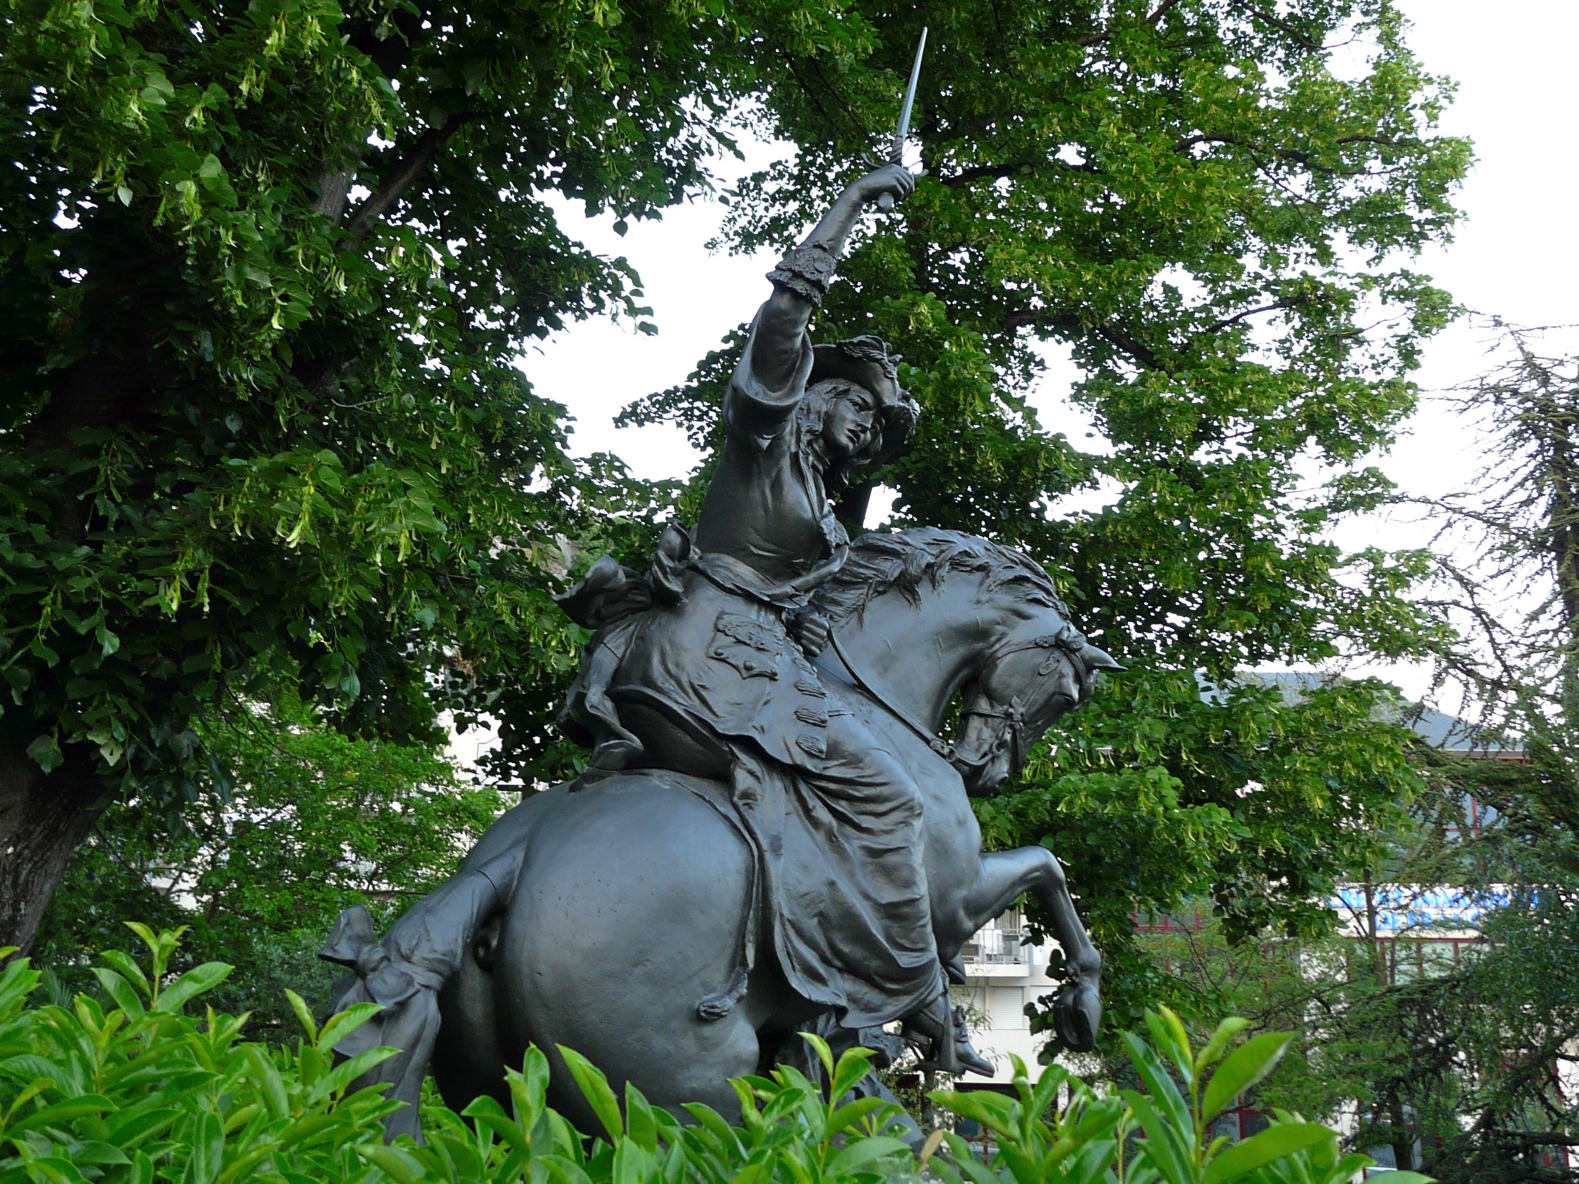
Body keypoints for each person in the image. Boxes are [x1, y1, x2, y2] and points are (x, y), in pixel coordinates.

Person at [560, 161, 991, 1074]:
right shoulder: (761, 444)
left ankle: (806, 990)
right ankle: (911, 994)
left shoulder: (822, 505)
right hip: (707, 662)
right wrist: (851, 206)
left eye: (880, 425)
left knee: (835, 792)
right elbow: (785, 318)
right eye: (863, 408)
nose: (869, 429)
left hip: (744, 664)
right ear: (821, 394)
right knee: (886, 798)